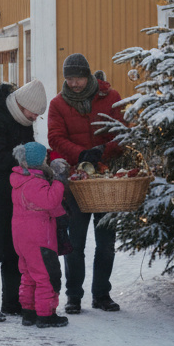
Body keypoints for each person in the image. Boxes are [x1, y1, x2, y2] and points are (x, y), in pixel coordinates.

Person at [47, 53, 124, 315]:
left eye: (78, 77)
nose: (74, 83)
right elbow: (55, 137)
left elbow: (122, 131)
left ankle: (102, 293)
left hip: (105, 179)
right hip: (76, 181)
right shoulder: (58, 104)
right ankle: (74, 296)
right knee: (75, 243)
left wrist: (104, 150)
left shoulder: (111, 98)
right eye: (69, 78)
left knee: (106, 243)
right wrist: (81, 154)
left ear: (88, 75)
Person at [0, 80, 48, 322]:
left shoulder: (22, 121)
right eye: (33, 112)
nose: (35, 118)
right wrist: (28, 161)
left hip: (16, 194)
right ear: (21, 105)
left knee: (14, 251)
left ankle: (12, 301)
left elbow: (26, 151)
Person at [11, 142, 70, 328]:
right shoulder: (35, 182)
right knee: (47, 276)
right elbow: (51, 201)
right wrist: (60, 180)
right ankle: (46, 315)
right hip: (39, 239)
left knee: (29, 276)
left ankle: (29, 313)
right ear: (38, 161)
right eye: (45, 158)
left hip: (22, 238)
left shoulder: (19, 180)